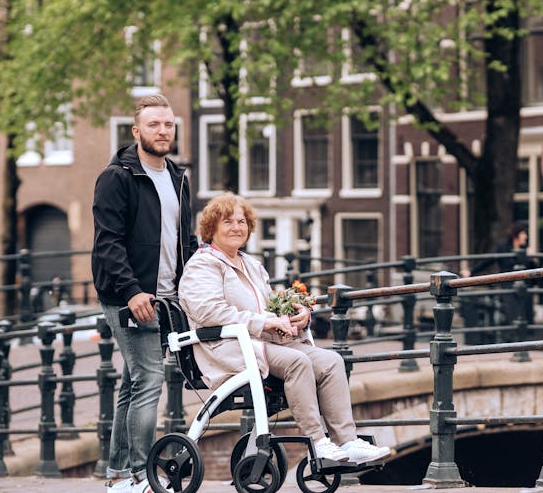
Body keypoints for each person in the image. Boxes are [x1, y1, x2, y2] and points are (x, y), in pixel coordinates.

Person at [178, 192, 391, 464]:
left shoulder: (251, 265)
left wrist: (297, 316)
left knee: (331, 361)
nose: (236, 227)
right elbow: (208, 311)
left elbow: (271, 307)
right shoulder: (203, 264)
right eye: (228, 222)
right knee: (298, 362)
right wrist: (264, 322)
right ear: (212, 228)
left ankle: (347, 442)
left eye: (242, 222)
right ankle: (318, 443)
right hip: (227, 347)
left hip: (264, 342)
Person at [92, 94, 196, 493]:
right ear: (137, 131)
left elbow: (182, 239)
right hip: (128, 296)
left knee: (133, 382)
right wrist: (133, 290)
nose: (163, 130)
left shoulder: (177, 177)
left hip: (166, 296)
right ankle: (141, 473)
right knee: (149, 379)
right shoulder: (118, 177)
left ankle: (118, 474)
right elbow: (108, 243)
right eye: (154, 124)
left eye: (168, 124)